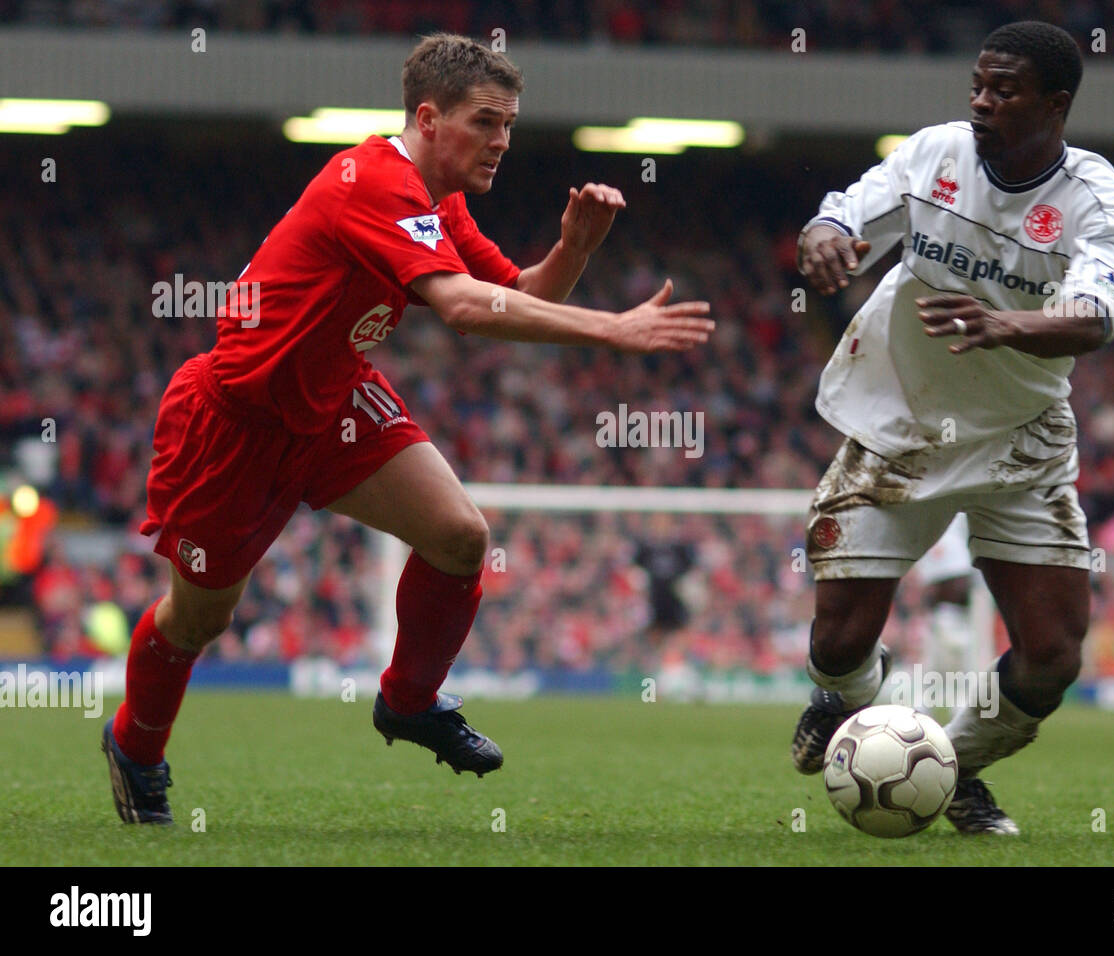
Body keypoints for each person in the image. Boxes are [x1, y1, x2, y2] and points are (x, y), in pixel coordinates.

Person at [103, 33, 713, 824]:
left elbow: (515, 295)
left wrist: (572, 248)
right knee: (200, 619)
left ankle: (408, 701)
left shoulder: (439, 201)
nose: (501, 142)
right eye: (485, 122)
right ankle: (135, 747)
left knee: (460, 536)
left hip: (333, 404)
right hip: (237, 422)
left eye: (509, 125)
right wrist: (614, 329)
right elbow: (462, 309)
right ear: (428, 117)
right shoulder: (372, 182)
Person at [790, 20, 1114, 834]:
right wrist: (825, 242)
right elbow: (845, 217)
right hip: (900, 421)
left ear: (1056, 105)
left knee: (1053, 656)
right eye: (979, 85)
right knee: (838, 641)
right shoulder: (935, 156)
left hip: (1021, 435)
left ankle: (954, 767)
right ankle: (846, 693)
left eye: (1004, 90)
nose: (982, 102)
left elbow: (1095, 316)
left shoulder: (1099, 202)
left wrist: (1007, 325)